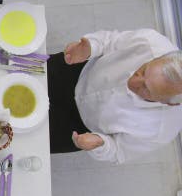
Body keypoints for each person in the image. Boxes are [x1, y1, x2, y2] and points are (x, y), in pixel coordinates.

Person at [48, 29, 182, 162]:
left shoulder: (161, 131)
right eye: (143, 70)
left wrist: (101, 144)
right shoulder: (150, 42)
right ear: (158, 58)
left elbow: (119, 151)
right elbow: (109, 41)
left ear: (169, 103)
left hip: (77, 125)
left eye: (146, 89)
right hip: (74, 70)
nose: (133, 82)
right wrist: (90, 47)